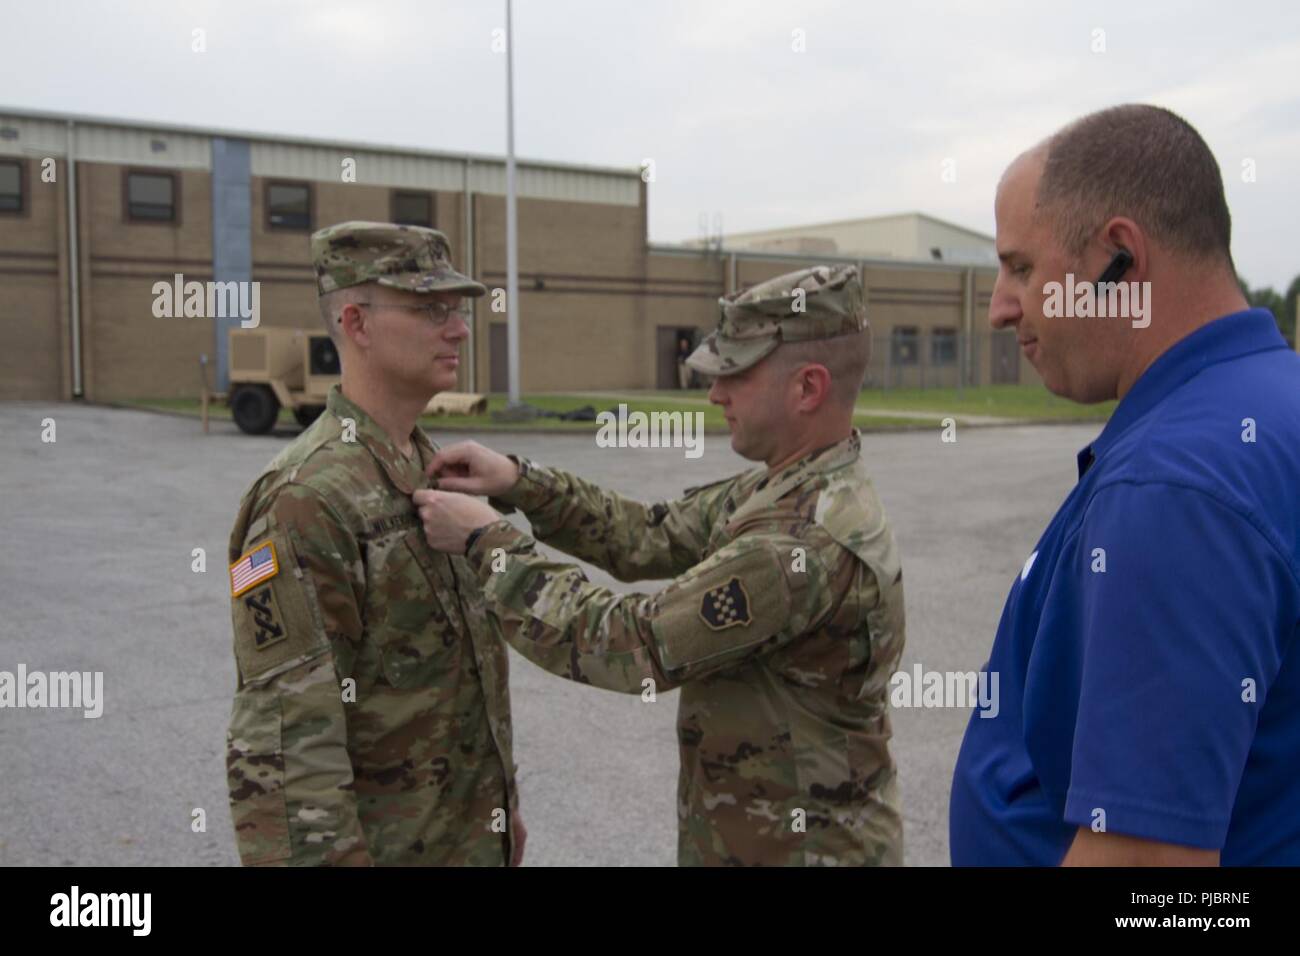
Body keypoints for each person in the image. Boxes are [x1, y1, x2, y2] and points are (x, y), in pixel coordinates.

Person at [414, 265, 906, 866]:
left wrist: (486, 546)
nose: (714, 394)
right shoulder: (788, 485)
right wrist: (520, 483)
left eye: (735, 375)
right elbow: (646, 533)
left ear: (807, 388)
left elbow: (630, 643)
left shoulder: (799, 541)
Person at [950, 104, 1300, 865]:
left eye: (1020, 268)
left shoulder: (1177, 482)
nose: (999, 310)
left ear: (1120, 259)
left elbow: (1151, 877)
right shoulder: (1271, 401)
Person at [225, 221, 524, 866]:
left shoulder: (428, 464)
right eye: (429, 309)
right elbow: (283, 744)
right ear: (357, 323)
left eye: (458, 310)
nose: (460, 330)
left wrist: (503, 809)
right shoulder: (306, 500)